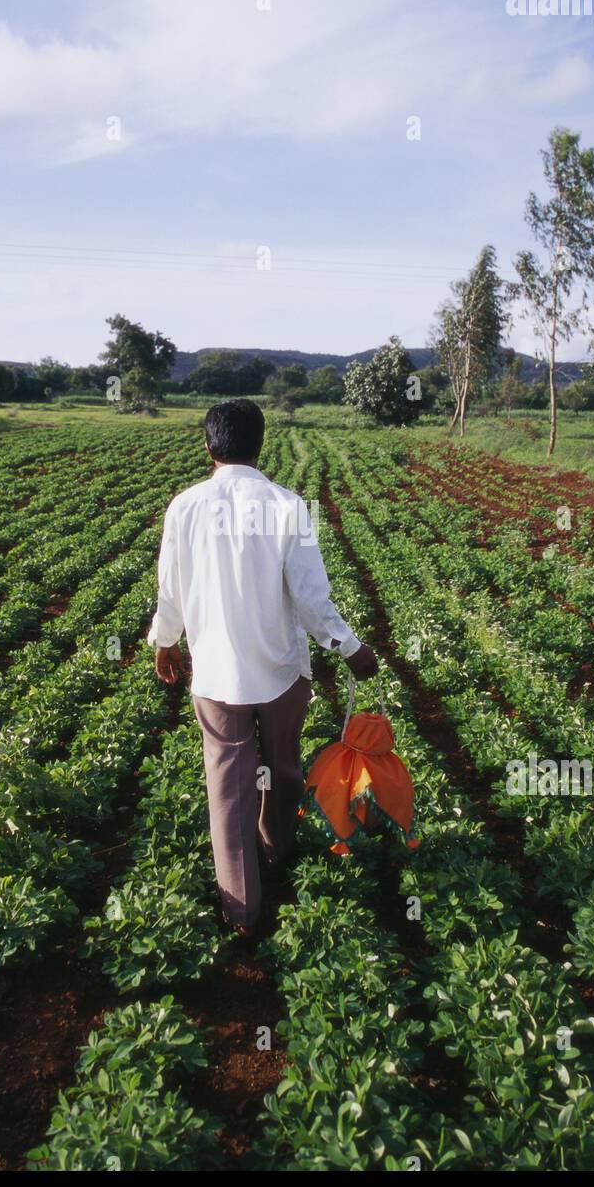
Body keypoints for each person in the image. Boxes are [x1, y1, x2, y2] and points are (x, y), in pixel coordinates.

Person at [147, 398, 378, 939]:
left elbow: (171, 589)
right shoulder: (286, 505)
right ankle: (280, 855)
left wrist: (165, 641)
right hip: (280, 673)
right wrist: (349, 648)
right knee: (283, 771)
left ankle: (242, 911)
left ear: (209, 447)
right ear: (261, 445)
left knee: (227, 791)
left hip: (215, 679)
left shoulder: (184, 506)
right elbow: (311, 598)